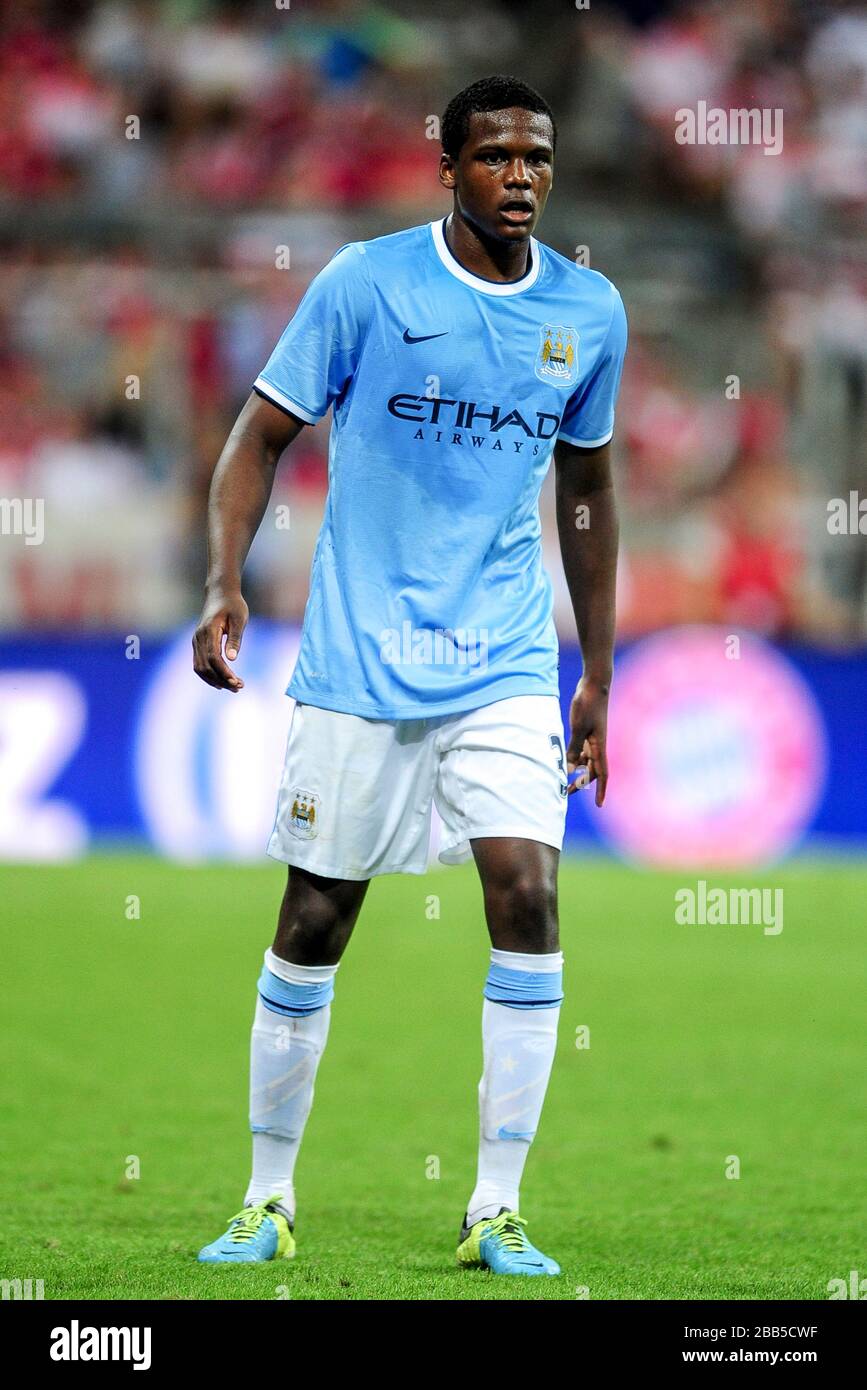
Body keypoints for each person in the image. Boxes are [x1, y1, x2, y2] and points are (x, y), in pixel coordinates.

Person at [193, 73, 627, 1277]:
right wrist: (224, 580)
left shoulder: (588, 313)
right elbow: (258, 436)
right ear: (450, 169)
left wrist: (597, 667)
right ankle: (268, 1197)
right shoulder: (366, 284)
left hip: (500, 662)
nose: (523, 176)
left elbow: (587, 492)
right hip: (359, 659)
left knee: (529, 895)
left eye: (537, 156)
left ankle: (495, 1205)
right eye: (495, 157)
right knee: (315, 918)